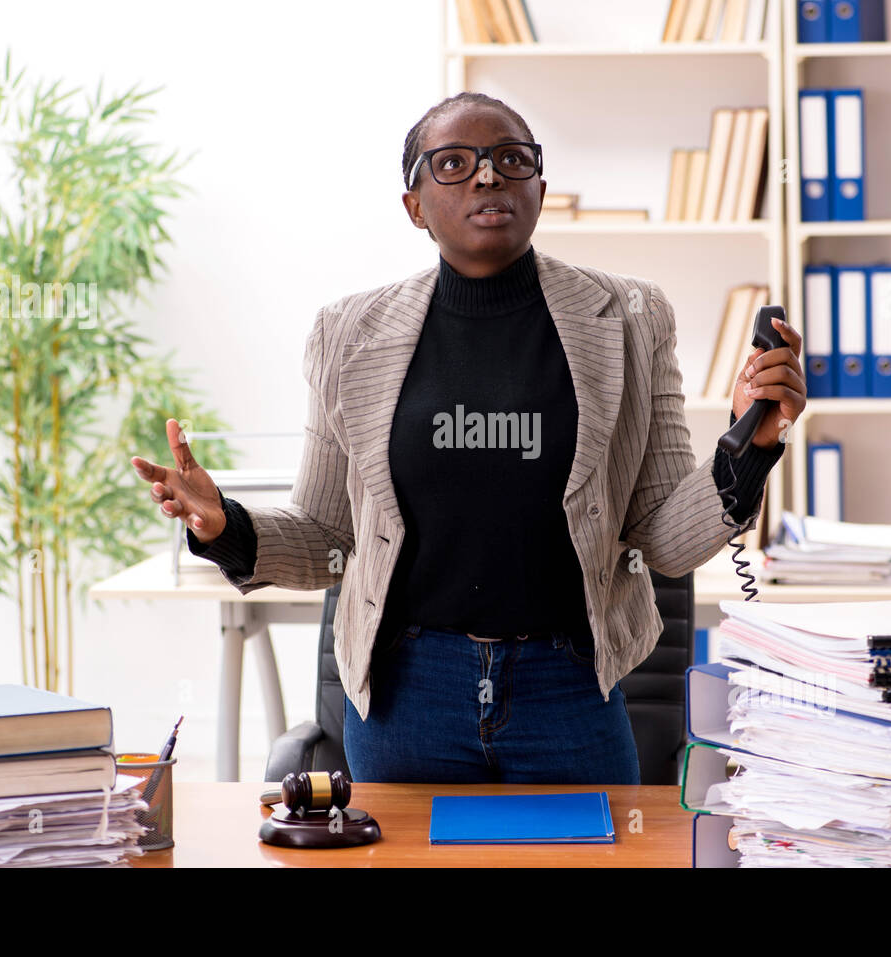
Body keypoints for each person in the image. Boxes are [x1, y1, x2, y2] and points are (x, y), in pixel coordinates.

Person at [129, 92, 807, 784]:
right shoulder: (348, 333)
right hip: (406, 693)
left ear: (540, 189)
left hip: (570, 687)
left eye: (511, 159)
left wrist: (750, 442)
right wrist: (223, 527)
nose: (487, 176)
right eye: (453, 163)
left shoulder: (632, 318)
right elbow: (327, 536)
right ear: (415, 206)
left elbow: (663, 538)